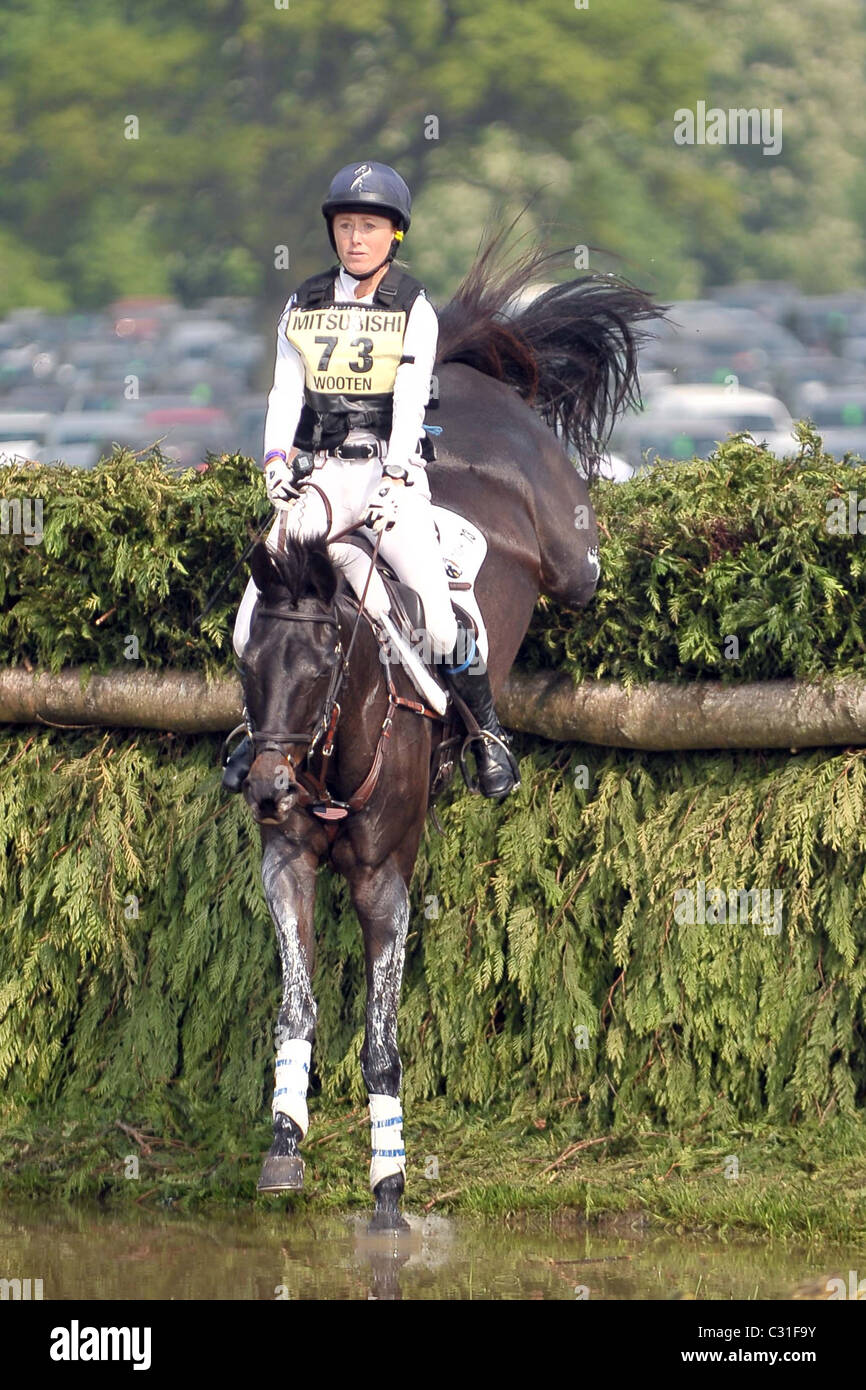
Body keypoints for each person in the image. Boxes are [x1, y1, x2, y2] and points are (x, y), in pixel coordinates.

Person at [223, 160, 519, 800]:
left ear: (394, 235)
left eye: (370, 227)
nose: (356, 239)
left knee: (436, 622)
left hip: (391, 477)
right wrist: (275, 463)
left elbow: (411, 400)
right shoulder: (301, 303)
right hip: (323, 477)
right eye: (347, 226)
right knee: (251, 617)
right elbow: (284, 394)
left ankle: (488, 735)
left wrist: (395, 473)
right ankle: (256, 732)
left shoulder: (413, 306)